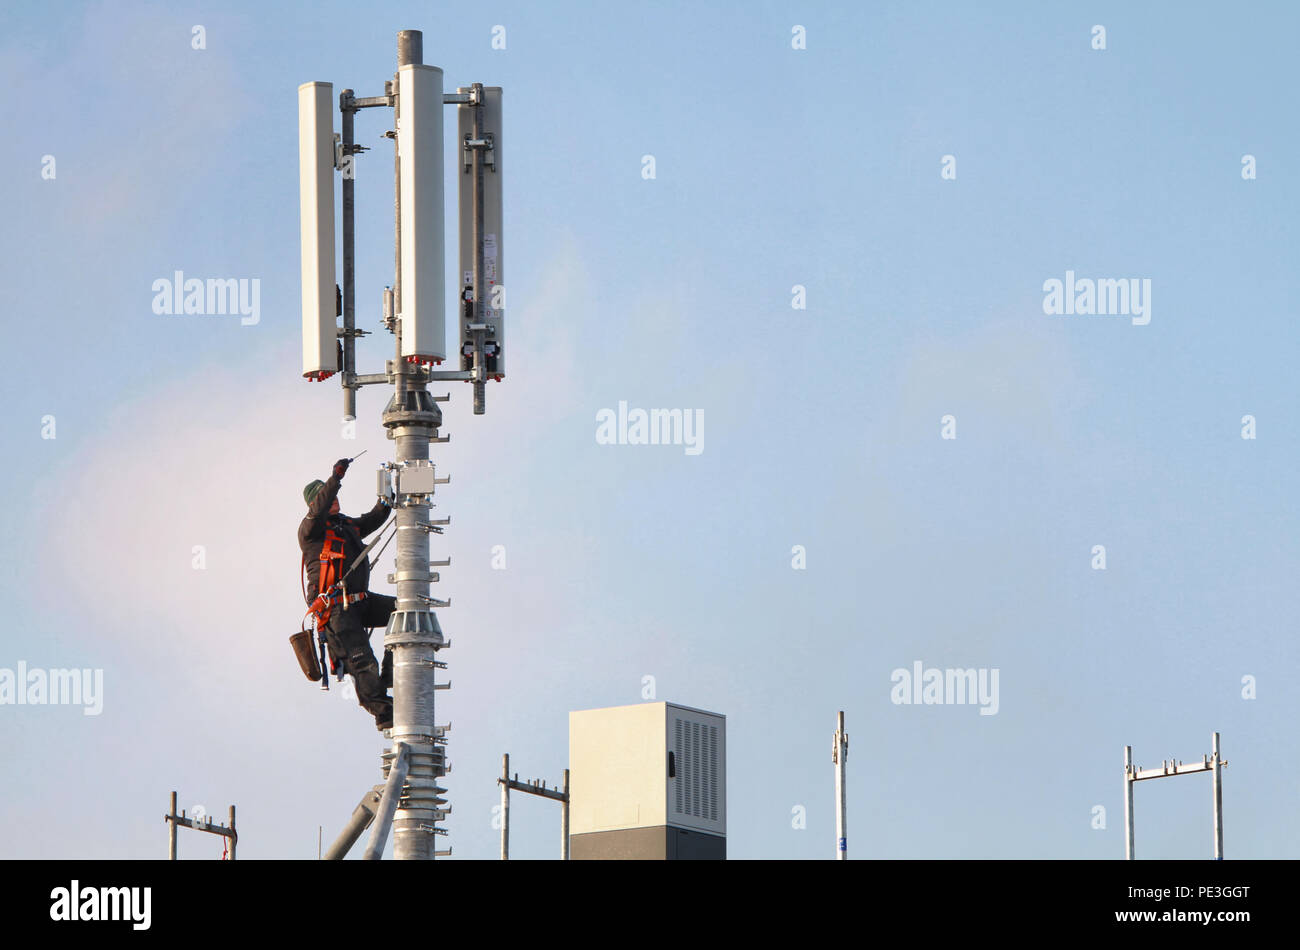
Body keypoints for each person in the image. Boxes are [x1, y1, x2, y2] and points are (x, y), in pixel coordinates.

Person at [299, 457, 395, 731]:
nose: (333, 501)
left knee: (406, 613)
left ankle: (389, 673)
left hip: (359, 603)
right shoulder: (311, 531)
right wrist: (335, 478)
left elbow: (375, 518)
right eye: (326, 499)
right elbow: (318, 511)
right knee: (362, 661)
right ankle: (384, 713)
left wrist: (387, 495)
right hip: (337, 612)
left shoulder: (344, 525)